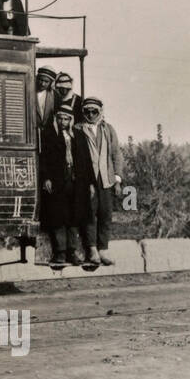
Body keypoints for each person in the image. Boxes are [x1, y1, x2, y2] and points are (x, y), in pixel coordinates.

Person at [39, 98, 95, 267]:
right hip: (58, 182)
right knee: (58, 218)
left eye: (66, 119)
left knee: (74, 218)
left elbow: (86, 161)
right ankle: (60, 253)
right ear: (56, 118)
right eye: (60, 118)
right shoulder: (48, 135)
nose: (63, 122)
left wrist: (90, 183)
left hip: (77, 183)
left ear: (71, 120)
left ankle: (72, 252)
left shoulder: (78, 136)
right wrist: (46, 178)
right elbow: (43, 159)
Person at [78, 96, 122, 266]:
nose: (90, 114)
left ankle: (103, 248)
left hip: (106, 179)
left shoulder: (108, 129)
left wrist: (117, 179)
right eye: (87, 111)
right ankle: (92, 249)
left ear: (100, 112)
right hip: (87, 179)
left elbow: (116, 154)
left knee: (105, 214)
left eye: (94, 111)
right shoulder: (78, 129)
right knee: (89, 214)